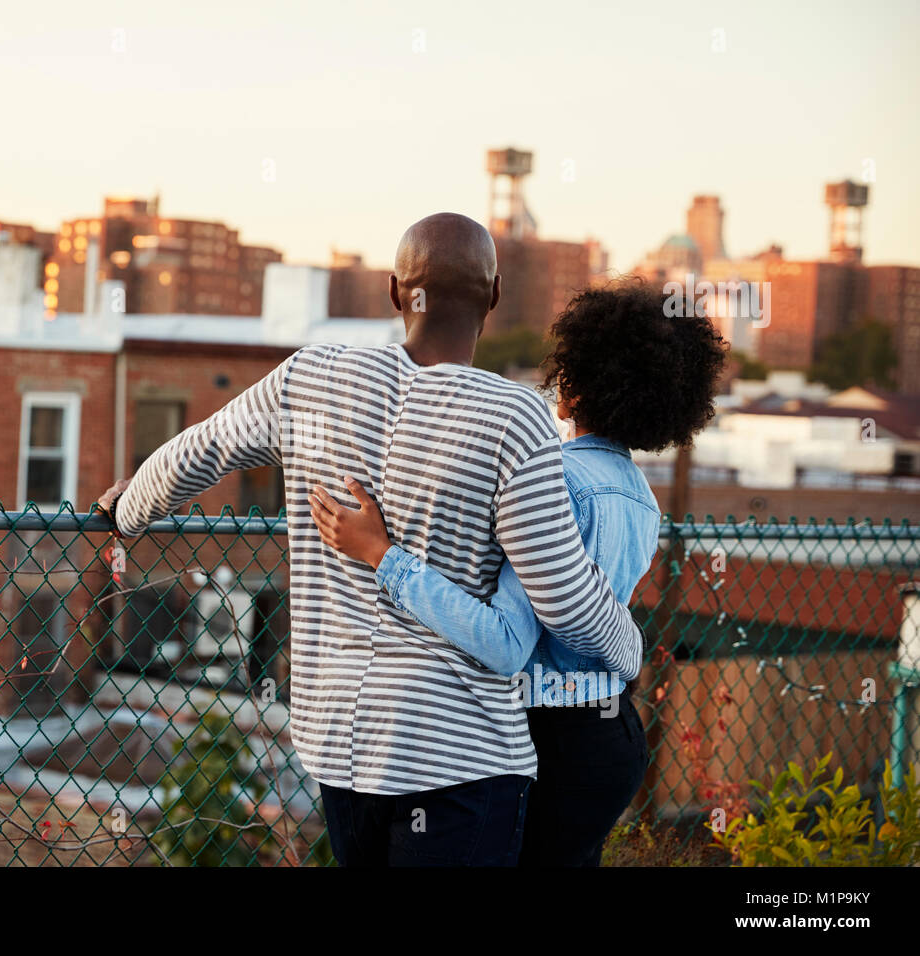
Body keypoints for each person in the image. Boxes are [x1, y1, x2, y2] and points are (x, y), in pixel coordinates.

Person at [98, 213, 641, 866]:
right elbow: (564, 601)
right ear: (494, 297)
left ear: (395, 292)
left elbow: (201, 449)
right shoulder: (512, 416)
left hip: (342, 752)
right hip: (458, 761)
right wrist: (629, 648)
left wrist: (127, 507)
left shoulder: (310, 379)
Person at [309, 280, 727, 866]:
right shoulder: (641, 499)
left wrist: (384, 556)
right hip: (611, 738)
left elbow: (507, 635)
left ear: (570, 388)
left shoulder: (546, 479)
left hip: (542, 733)